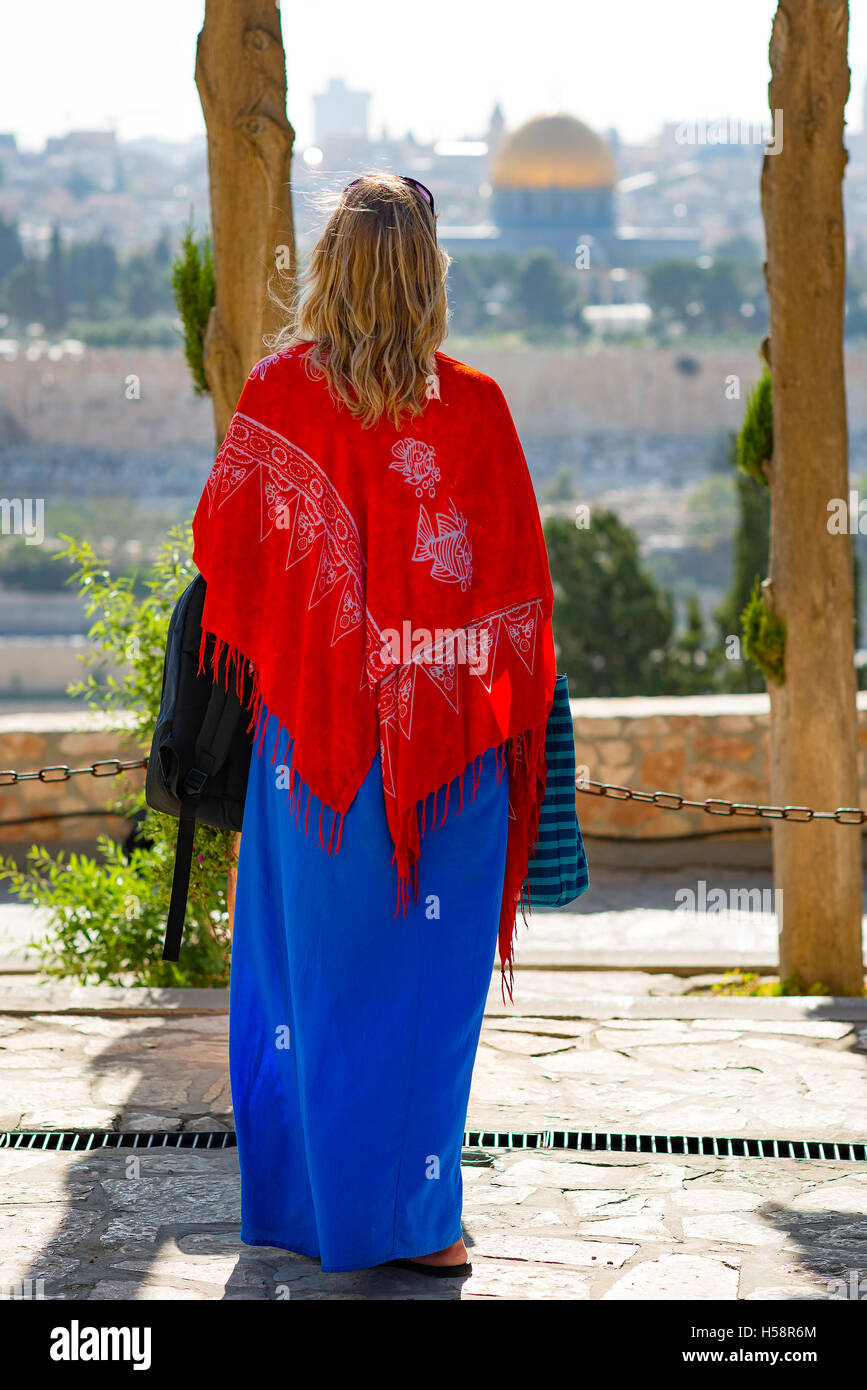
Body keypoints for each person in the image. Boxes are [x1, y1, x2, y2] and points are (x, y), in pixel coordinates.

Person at [191, 173, 556, 1276]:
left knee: (317, 984)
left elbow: (223, 558)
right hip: (450, 762)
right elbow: (521, 602)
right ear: (428, 277)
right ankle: (418, 1220)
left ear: (332, 273)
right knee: (425, 1003)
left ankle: (317, 1210)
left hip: (312, 763)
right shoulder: (478, 405)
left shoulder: (276, 396)